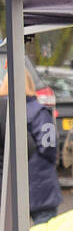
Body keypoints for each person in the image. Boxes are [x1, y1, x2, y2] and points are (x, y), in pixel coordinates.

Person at [1, 65, 60, 222]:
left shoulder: (2, 111)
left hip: (8, 184)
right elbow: (49, 145)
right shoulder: (38, 112)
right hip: (39, 182)